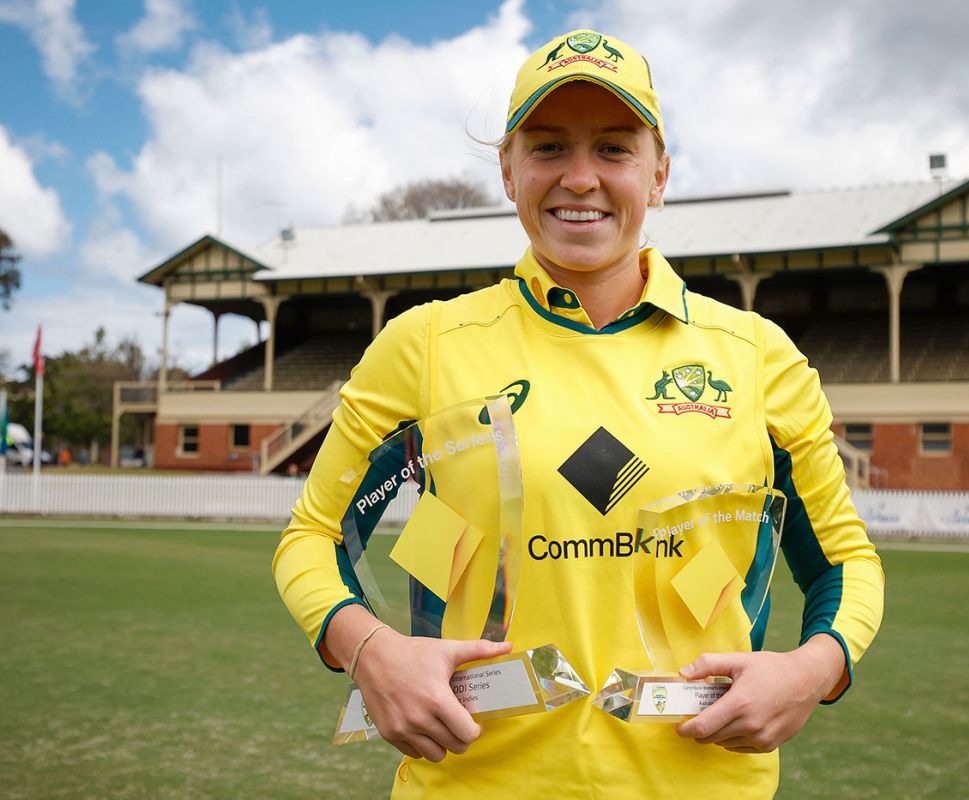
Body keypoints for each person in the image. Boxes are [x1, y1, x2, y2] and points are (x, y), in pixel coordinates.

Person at [272, 29, 884, 799]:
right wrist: (368, 649)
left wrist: (813, 669)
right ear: (508, 171)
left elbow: (843, 566)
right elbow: (314, 539)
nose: (581, 178)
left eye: (615, 149)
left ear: (660, 173)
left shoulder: (758, 356)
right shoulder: (424, 345)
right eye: (550, 147)